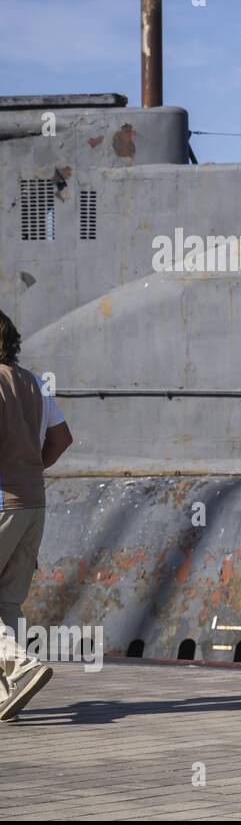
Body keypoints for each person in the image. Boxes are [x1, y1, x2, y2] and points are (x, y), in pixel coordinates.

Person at [0, 308, 73, 723]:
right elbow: (62, 438)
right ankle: (8, 690)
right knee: (7, 602)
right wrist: (31, 467)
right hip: (33, 504)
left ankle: (20, 665)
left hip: (2, 503)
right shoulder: (31, 382)